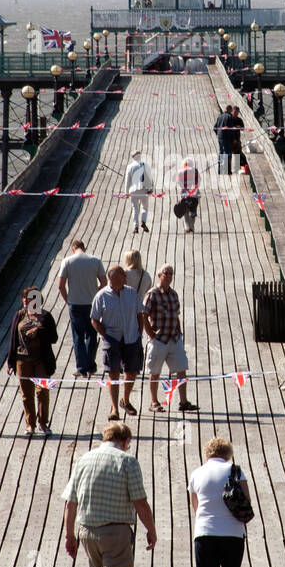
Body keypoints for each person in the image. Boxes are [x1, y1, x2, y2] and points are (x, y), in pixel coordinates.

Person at [62, 422, 157, 567]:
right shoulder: (127, 461)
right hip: (116, 534)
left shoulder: (84, 459)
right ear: (126, 441)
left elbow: (70, 503)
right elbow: (140, 502)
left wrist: (69, 535)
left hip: (87, 532)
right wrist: (151, 530)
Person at [189, 436, 250, 567]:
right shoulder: (236, 471)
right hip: (233, 534)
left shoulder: (196, 473)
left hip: (205, 534)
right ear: (228, 454)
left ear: (207, 454)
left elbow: (196, 507)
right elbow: (247, 501)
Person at [90, 264, 145, 420]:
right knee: (113, 373)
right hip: (112, 339)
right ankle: (114, 408)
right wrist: (105, 335)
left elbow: (140, 314)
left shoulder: (132, 293)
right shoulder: (101, 296)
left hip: (131, 337)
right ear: (112, 277)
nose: (125, 278)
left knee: (132, 371)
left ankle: (125, 400)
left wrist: (139, 332)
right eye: (123, 275)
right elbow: (94, 319)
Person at [142, 264, 197, 412]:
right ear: (159, 275)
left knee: (181, 369)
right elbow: (143, 315)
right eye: (166, 273)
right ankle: (154, 402)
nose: (169, 276)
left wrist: (179, 333)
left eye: (171, 274)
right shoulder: (152, 293)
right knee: (155, 371)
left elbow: (176, 315)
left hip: (174, 338)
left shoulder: (174, 294)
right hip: (159, 339)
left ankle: (183, 402)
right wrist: (151, 334)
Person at [6, 286, 59, 436]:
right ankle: (30, 425)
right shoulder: (19, 315)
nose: (25, 301)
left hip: (41, 359)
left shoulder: (46, 317)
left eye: (29, 299)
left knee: (42, 391)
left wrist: (39, 331)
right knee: (26, 393)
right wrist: (10, 362)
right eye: (24, 299)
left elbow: (54, 338)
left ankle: (43, 423)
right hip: (22, 359)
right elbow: (13, 340)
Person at [56, 240, 107, 379]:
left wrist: (68, 299)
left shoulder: (67, 261)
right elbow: (104, 282)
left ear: (73, 249)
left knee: (78, 336)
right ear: (84, 248)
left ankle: (82, 368)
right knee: (91, 334)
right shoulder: (95, 261)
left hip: (75, 304)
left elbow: (60, 285)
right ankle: (91, 365)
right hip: (91, 303)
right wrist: (95, 292)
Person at [124, 151, 151, 232]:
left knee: (135, 208)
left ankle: (135, 226)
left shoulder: (130, 166)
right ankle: (143, 221)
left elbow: (127, 181)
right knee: (145, 207)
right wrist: (150, 189)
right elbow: (149, 178)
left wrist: (126, 193)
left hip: (133, 191)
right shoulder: (145, 165)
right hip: (143, 190)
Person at [175, 158, 200, 232]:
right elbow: (198, 182)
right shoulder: (195, 171)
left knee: (185, 209)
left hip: (184, 192)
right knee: (193, 207)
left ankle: (187, 226)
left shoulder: (180, 171)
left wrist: (183, 188)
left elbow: (178, 182)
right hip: (193, 192)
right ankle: (192, 225)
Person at [214, 106, 232, 175]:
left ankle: (220, 170)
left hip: (220, 137)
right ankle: (227, 170)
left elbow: (214, 127)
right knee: (227, 152)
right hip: (226, 137)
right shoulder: (229, 117)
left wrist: (218, 134)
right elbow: (231, 129)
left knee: (221, 152)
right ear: (229, 110)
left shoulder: (220, 117)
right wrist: (232, 138)